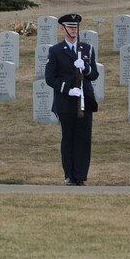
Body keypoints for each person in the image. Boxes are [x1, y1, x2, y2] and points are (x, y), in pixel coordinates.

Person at [45, 13, 99, 186]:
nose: (73, 30)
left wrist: (86, 68)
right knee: (68, 138)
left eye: (75, 27)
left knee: (83, 139)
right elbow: (49, 78)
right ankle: (69, 175)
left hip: (85, 101)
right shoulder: (55, 51)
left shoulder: (87, 49)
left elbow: (94, 75)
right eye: (70, 27)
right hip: (66, 101)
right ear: (63, 29)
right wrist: (68, 90)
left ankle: (81, 176)